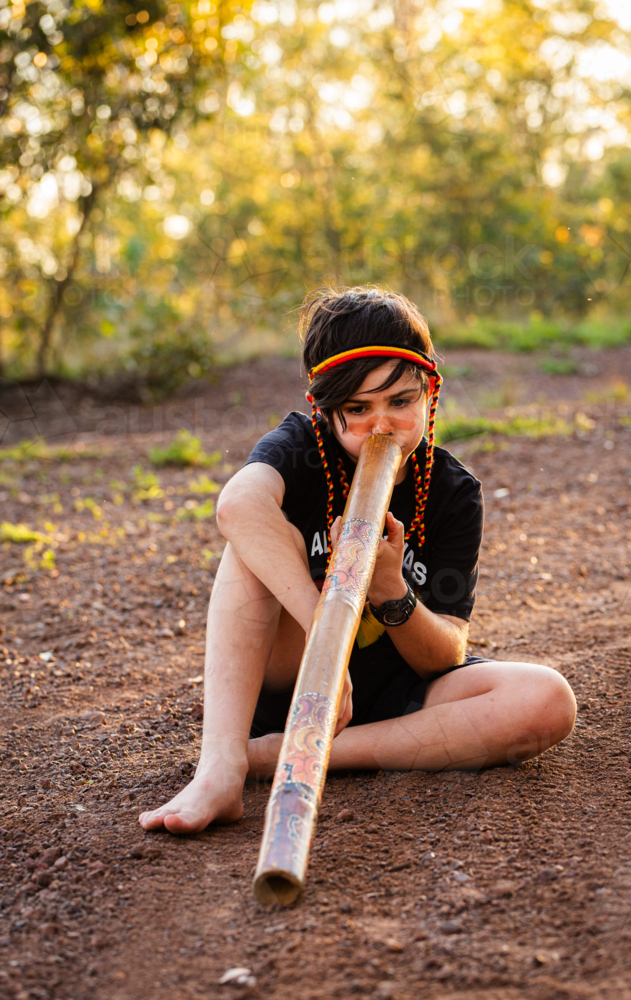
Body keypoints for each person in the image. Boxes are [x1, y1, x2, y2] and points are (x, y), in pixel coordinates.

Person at [139, 287, 576, 834]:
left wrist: (391, 589)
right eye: (358, 410)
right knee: (251, 543)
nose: (382, 426)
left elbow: (444, 654)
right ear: (326, 409)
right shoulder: (300, 446)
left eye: (400, 402)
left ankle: (281, 756)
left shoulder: (450, 491)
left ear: (429, 394)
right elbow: (237, 503)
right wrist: (326, 638)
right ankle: (222, 764)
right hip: (296, 680)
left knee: (545, 700)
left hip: (396, 700)